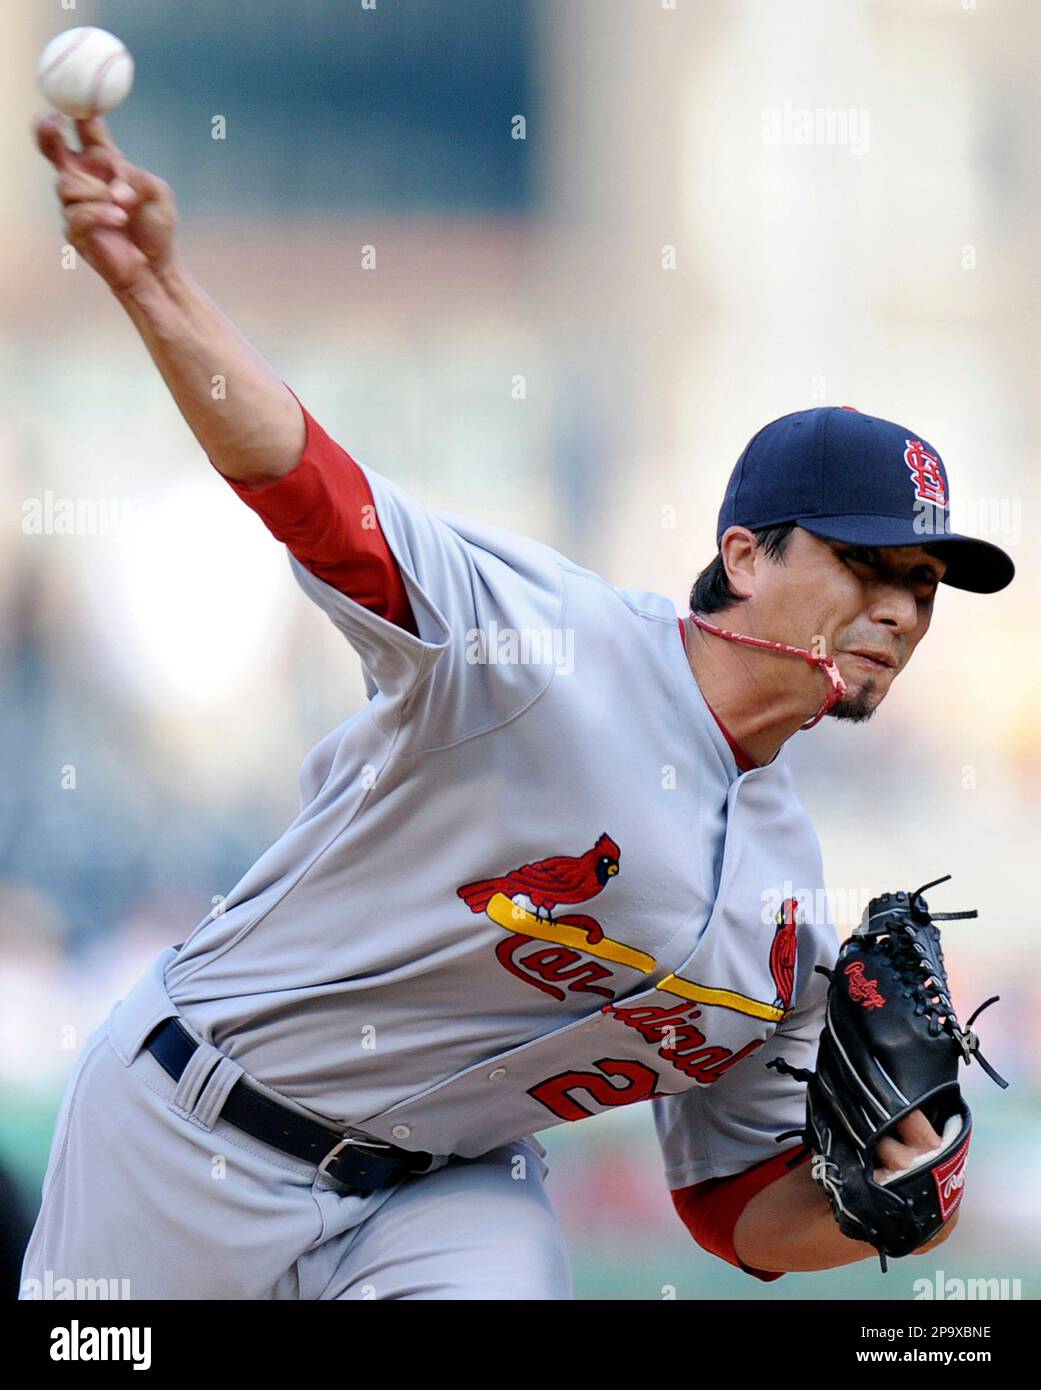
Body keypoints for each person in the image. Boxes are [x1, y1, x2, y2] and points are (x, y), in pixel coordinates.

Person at [20, 114, 1014, 1301]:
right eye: (865, 563)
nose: (901, 609)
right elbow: (314, 491)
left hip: (447, 1190)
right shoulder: (548, 644)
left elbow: (736, 1210)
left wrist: (902, 1205)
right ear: (745, 556)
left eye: (920, 586)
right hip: (190, 1127)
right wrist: (156, 284)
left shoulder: (788, 912)